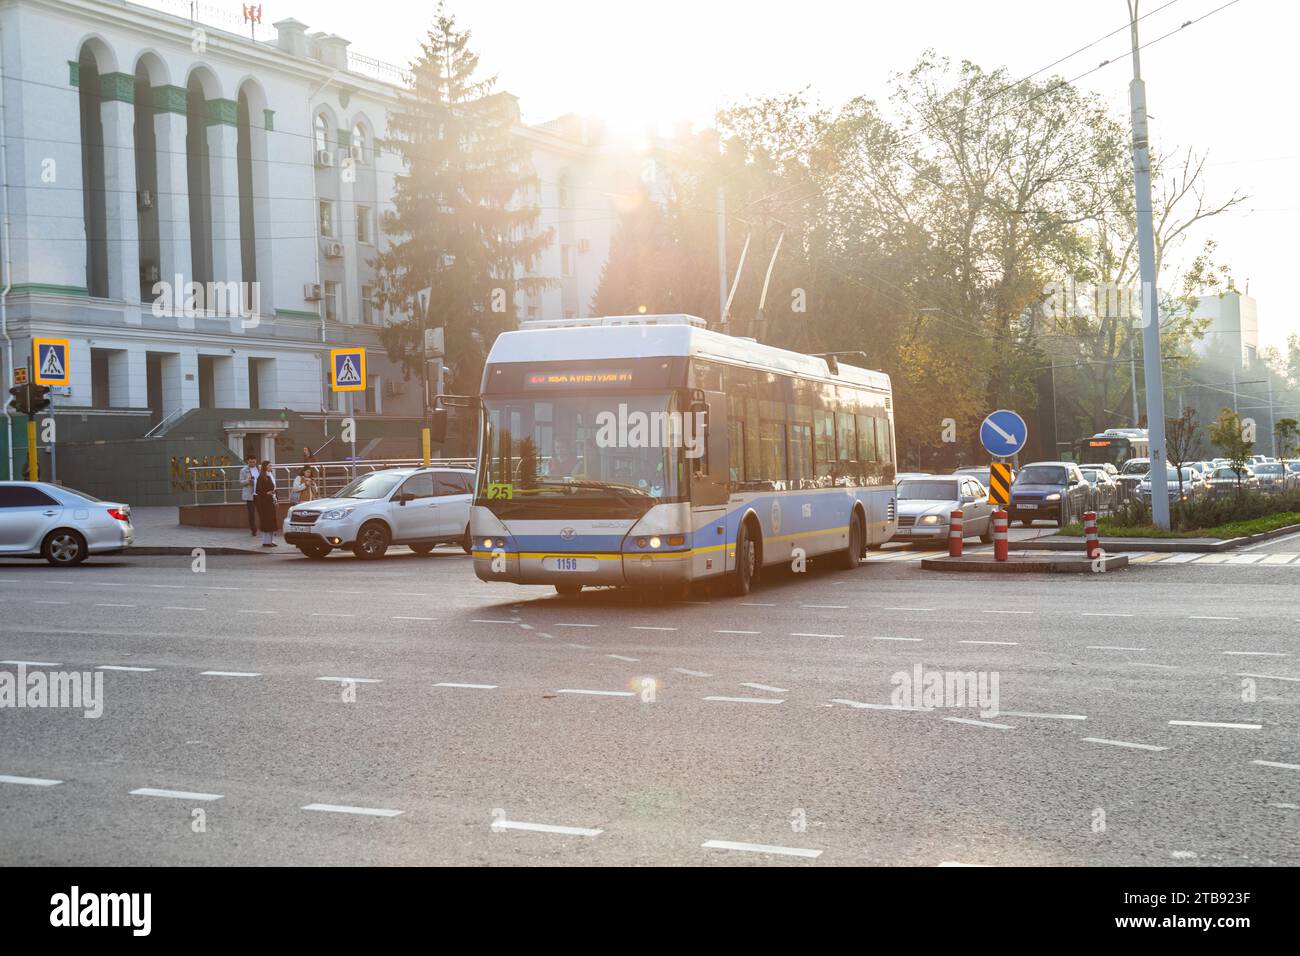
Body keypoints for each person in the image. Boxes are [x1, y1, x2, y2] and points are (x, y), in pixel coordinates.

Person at [255, 460, 278, 548]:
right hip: (264, 502)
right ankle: (266, 541)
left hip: (271, 500)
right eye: (269, 466)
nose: (270, 467)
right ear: (265, 467)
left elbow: (274, 488)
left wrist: (275, 499)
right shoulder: (261, 477)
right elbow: (258, 490)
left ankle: (271, 540)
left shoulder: (270, 476)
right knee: (266, 521)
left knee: (271, 521)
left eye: (271, 466)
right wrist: (266, 493)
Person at [238, 455, 259, 537]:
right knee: (251, 513)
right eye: (250, 462)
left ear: (256, 461)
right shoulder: (243, 470)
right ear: (247, 461)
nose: (252, 463)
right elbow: (241, 482)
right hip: (250, 494)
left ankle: (264, 528)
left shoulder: (258, 469)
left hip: (258, 494)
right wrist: (248, 480)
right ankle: (253, 529)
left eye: (253, 462)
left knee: (261, 511)